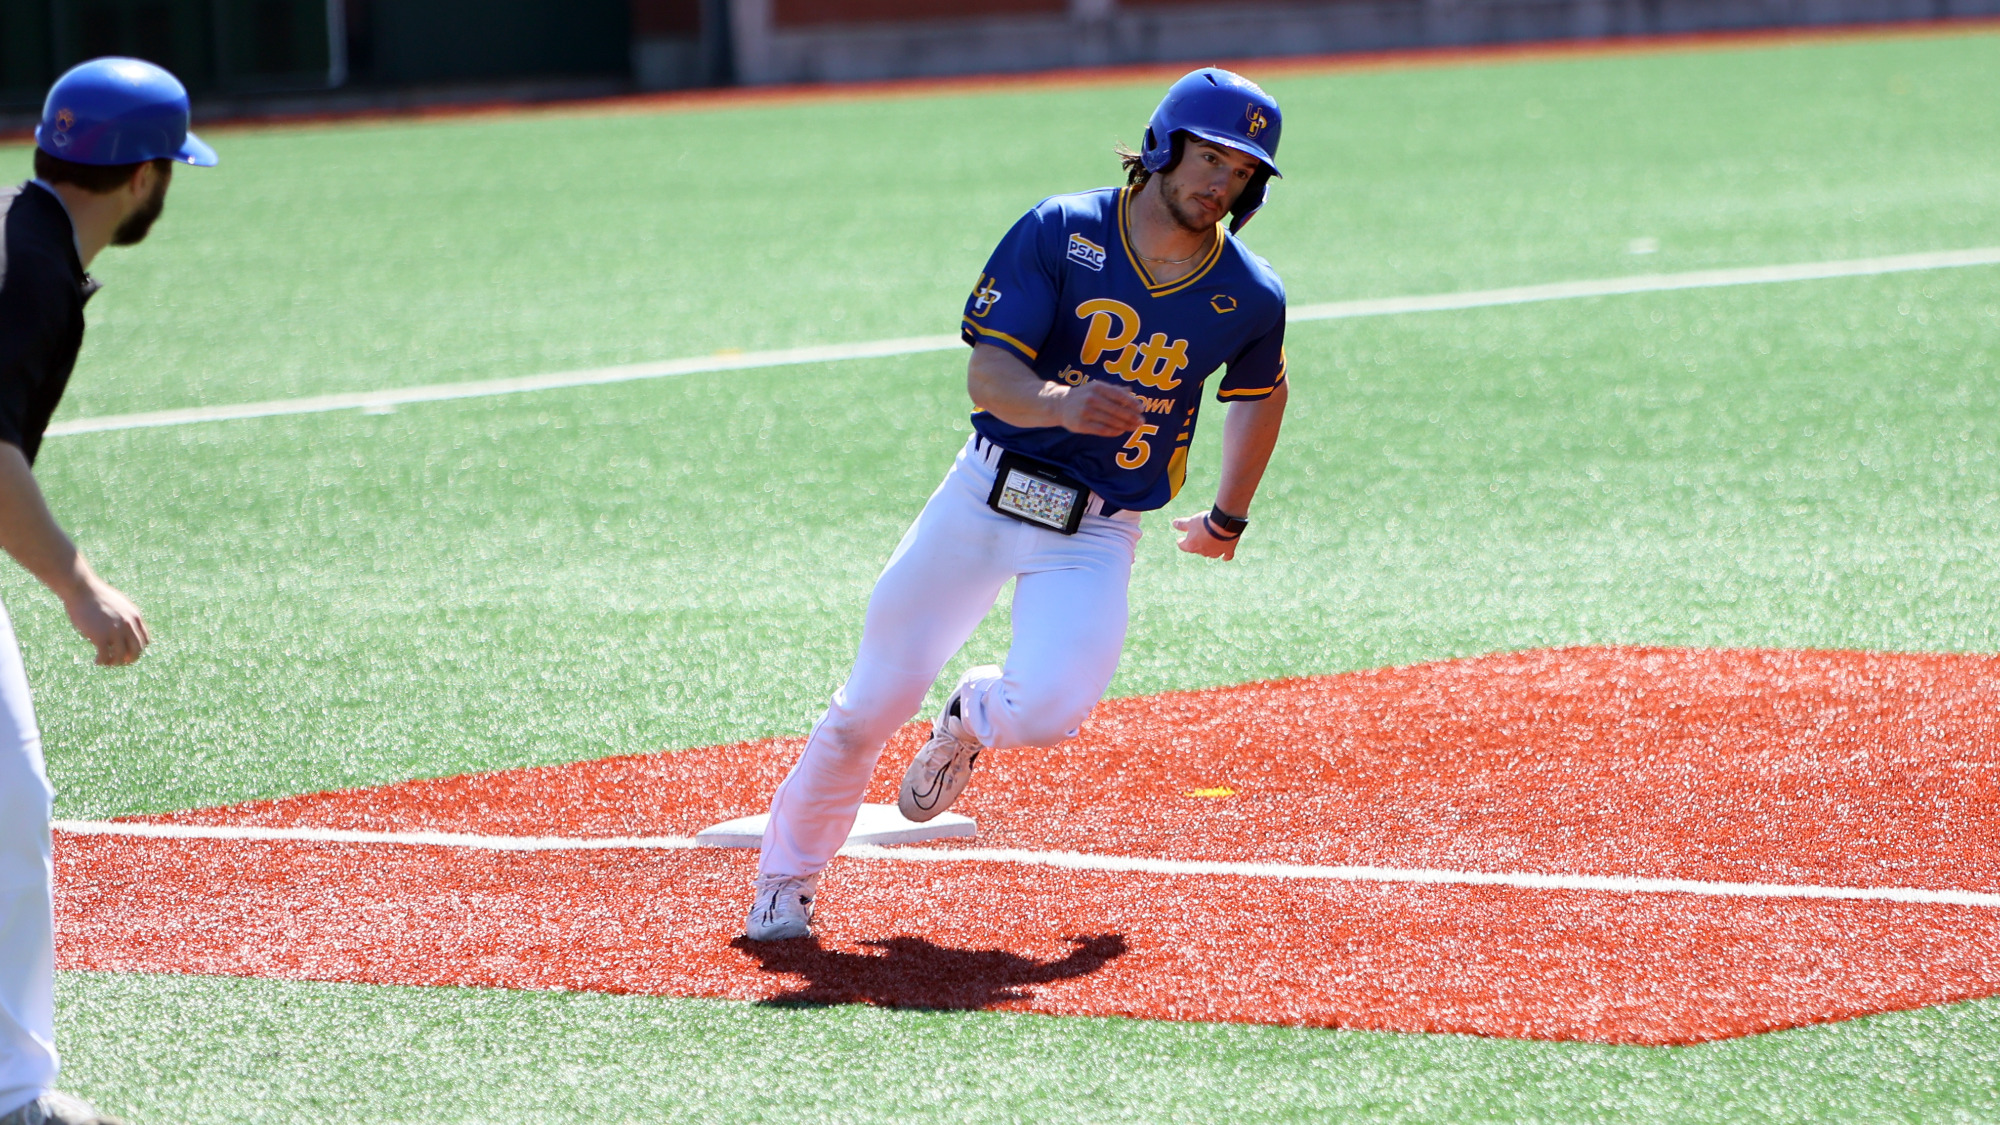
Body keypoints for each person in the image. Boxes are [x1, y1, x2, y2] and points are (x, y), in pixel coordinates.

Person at [747, 68, 1291, 941]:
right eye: (1209, 156)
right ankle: (787, 878)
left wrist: (1229, 514)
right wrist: (1061, 403)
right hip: (985, 493)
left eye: (1240, 171)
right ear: (1162, 144)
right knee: (866, 709)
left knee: (1051, 709)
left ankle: (971, 716)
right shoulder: (1061, 229)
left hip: (1099, 524)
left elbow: (1261, 392)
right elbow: (988, 373)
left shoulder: (1250, 293)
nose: (1220, 182)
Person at [0, 58, 217, 1125]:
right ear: (144, 178)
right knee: (10, 809)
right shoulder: (31, 270)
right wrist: (78, 586)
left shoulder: (19, 234)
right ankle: (14, 1093)